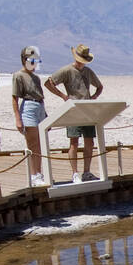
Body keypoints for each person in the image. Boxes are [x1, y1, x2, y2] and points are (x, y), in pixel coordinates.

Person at [44, 44, 103, 182]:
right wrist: (64, 96)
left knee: (89, 141)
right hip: (73, 109)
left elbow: (100, 87)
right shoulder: (66, 70)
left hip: (87, 110)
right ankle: (75, 173)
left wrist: (93, 98)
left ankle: (86, 172)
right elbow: (49, 83)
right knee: (74, 142)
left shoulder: (88, 72)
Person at [12, 46, 47, 186]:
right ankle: (34, 175)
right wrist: (17, 118)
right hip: (28, 107)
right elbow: (15, 98)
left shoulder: (36, 77)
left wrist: (45, 114)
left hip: (39, 107)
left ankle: (39, 172)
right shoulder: (19, 75)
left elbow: (40, 96)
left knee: (40, 143)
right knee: (32, 143)